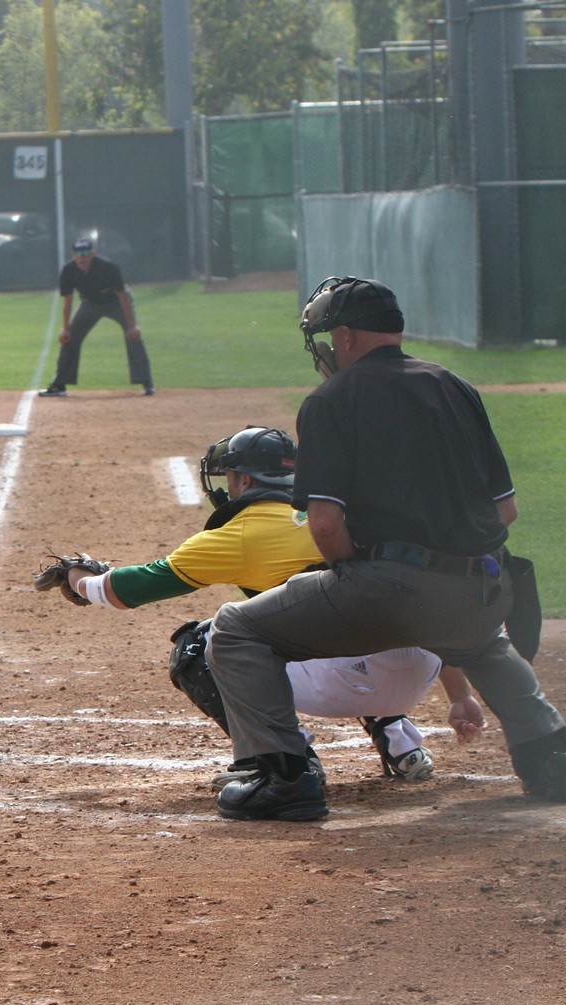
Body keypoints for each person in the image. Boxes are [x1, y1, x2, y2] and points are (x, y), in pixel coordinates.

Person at [205, 276, 566, 821]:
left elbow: (325, 526)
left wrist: (368, 581)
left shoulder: (331, 400)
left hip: (387, 589)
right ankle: (551, 757)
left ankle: (284, 777)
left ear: (348, 336)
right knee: (483, 643)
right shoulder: (455, 387)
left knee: (235, 628)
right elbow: (505, 511)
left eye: (330, 336)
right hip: (485, 587)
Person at [38, 425, 476, 787]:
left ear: (244, 481)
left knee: (200, 646)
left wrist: (77, 574)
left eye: (230, 477)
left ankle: (284, 759)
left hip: (345, 677)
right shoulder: (349, 515)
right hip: (423, 669)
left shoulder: (240, 533)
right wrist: (460, 695)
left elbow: (117, 592)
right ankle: (400, 742)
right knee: (353, 615)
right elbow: (422, 609)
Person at [38, 235, 154, 398]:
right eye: (78, 254)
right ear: (73, 255)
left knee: (133, 336)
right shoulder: (69, 270)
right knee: (70, 338)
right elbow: (68, 301)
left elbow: (122, 296)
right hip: (90, 304)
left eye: (86, 253)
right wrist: (65, 328)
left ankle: (146, 382)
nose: (82, 257)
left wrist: (132, 325)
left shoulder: (108, 267)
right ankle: (59, 385)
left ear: (93, 254)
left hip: (116, 302)